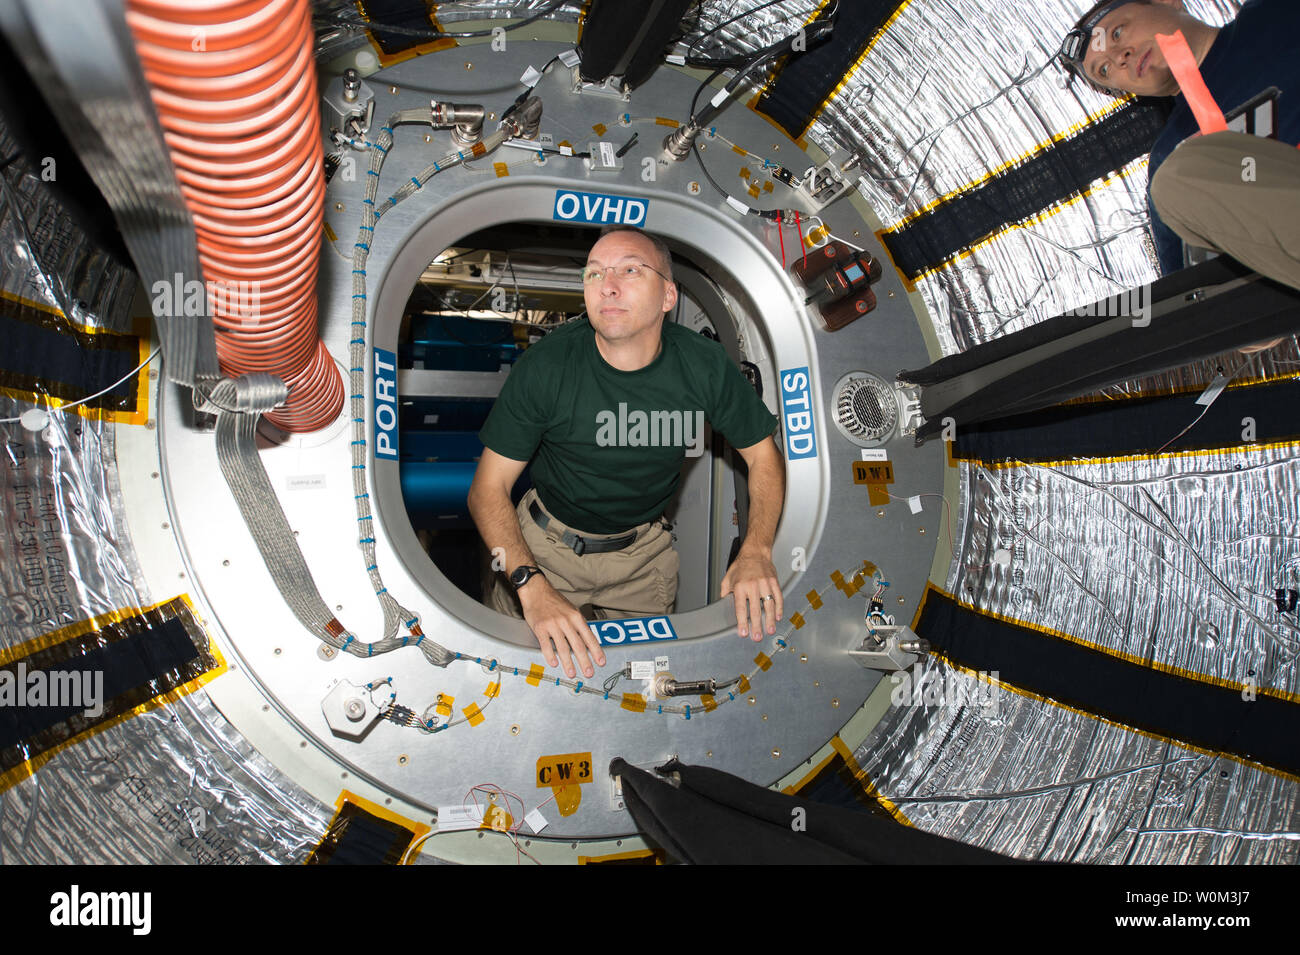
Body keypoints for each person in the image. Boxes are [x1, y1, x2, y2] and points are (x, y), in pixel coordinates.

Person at [467, 225, 785, 679]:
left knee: (643, 687)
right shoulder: (547, 368)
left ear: (668, 296)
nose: (608, 286)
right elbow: (486, 490)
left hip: (643, 556)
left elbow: (763, 456)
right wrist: (529, 584)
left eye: (630, 270)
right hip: (543, 549)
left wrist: (757, 549)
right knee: (518, 680)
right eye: (594, 274)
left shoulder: (705, 367)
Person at [1058, 0, 1300, 287]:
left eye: (1117, 34)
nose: (1118, 58)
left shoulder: (1276, 11)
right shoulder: (1170, 162)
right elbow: (1197, 298)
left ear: (1168, 2)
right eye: (1105, 72)